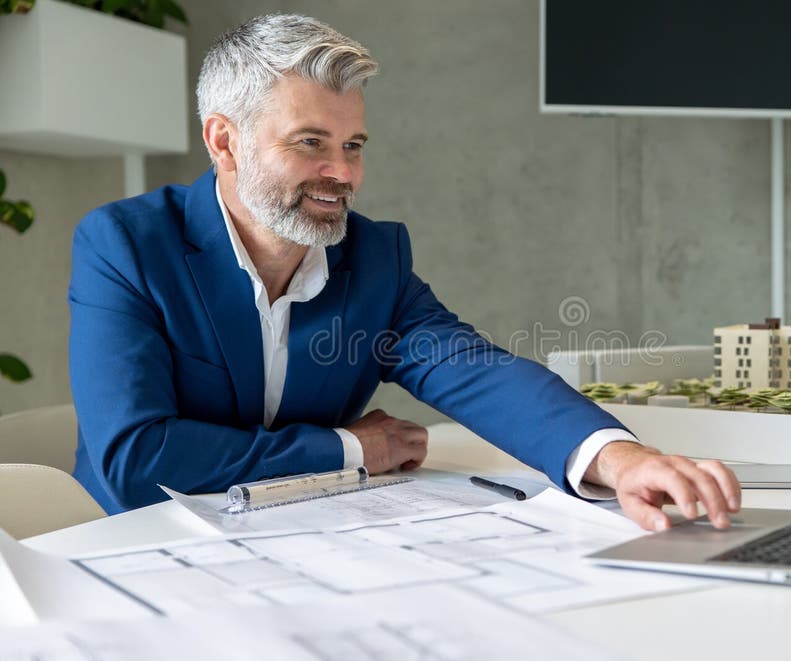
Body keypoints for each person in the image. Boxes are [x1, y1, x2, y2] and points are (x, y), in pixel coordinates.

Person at [68, 13, 740, 530]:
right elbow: (137, 462)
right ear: (224, 141)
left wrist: (620, 459)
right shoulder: (126, 245)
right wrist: (346, 450)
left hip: (299, 546)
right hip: (137, 550)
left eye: (353, 145)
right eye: (311, 143)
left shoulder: (373, 259)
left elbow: (477, 369)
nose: (345, 173)